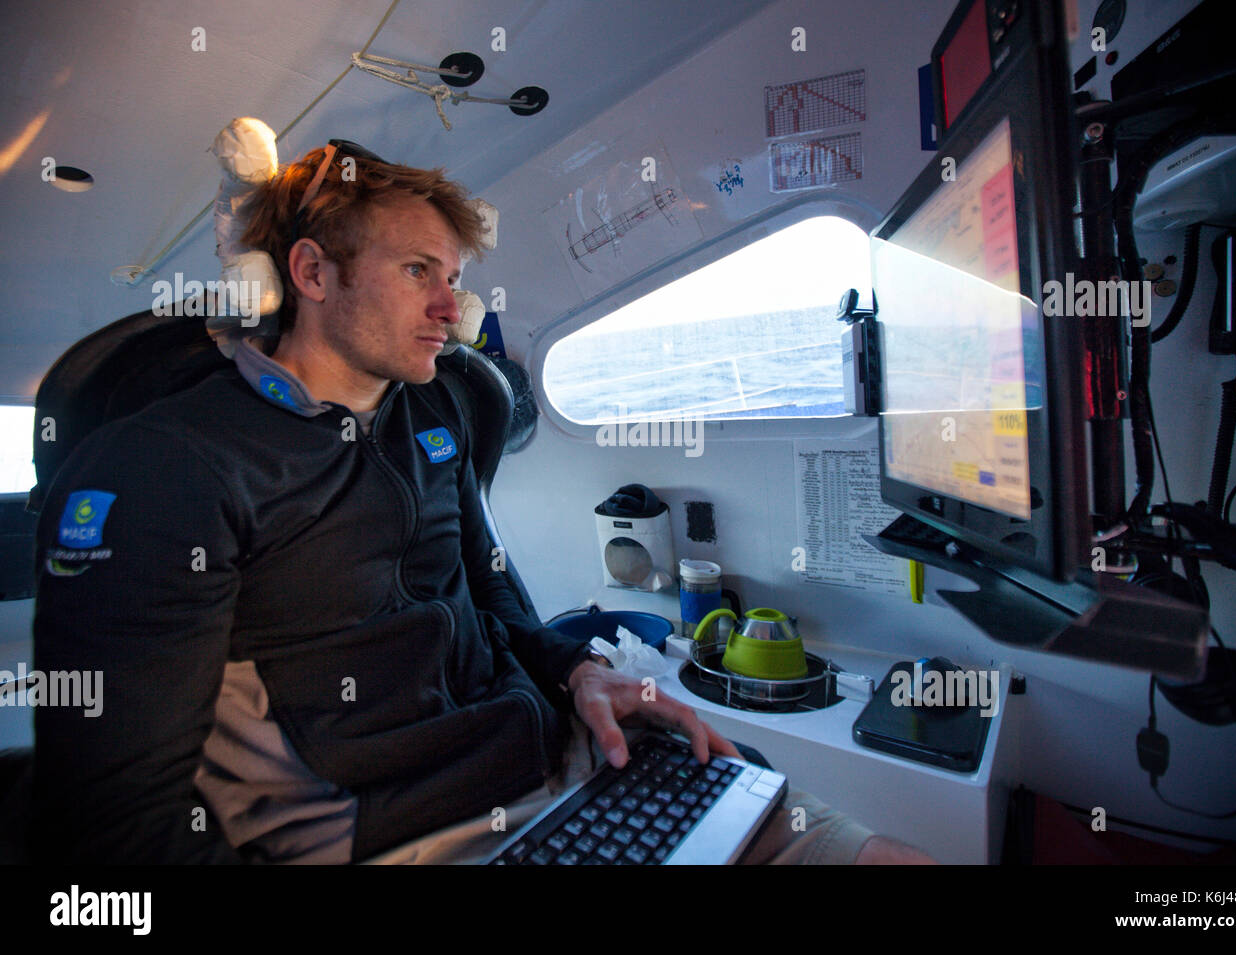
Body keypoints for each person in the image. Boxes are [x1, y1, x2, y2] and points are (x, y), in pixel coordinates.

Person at [32, 143, 930, 864]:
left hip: (572, 759)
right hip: (417, 834)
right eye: (419, 268)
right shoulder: (161, 470)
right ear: (311, 272)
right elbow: (113, 830)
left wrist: (578, 673)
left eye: (452, 275)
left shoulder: (435, 407)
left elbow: (491, 599)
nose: (448, 304)